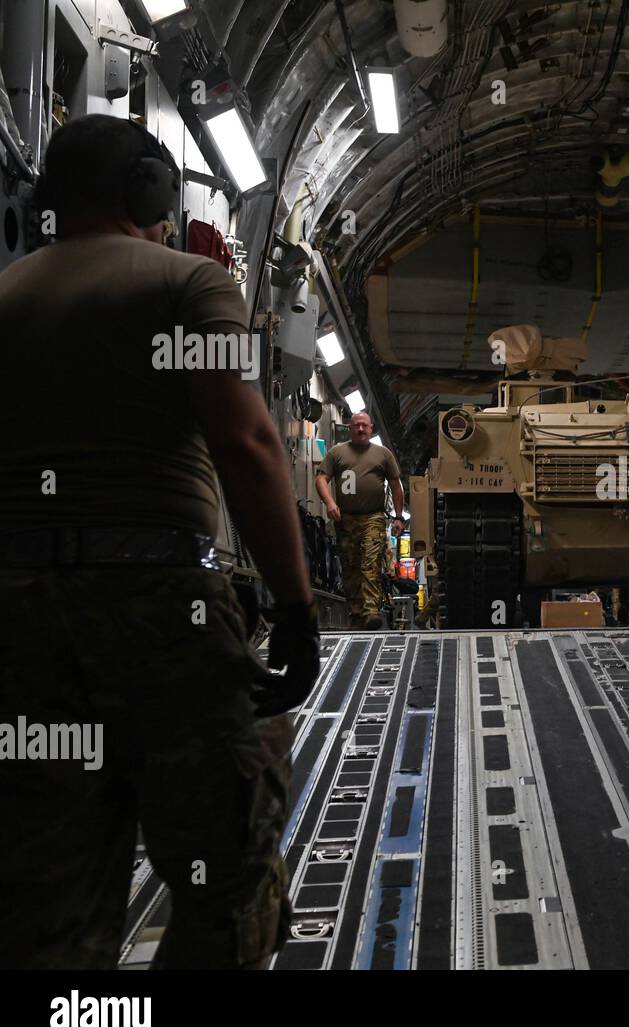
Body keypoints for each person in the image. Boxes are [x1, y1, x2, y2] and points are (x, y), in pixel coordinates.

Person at [0, 115, 319, 969]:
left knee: (48, 893)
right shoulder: (188, 284)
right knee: (227, 877)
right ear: (151, 191)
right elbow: (247, 445)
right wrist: (294, 603)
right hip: (159, 610)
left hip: (20, 619)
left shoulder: (7, 296)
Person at [315, 412, 404, 629]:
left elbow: (395, 485)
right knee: (350, 564)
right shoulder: (337, 453)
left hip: (373, 516)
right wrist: (330, 503)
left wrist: (399, 516)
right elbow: (321, 479)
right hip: (345, 518)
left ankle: (371, 611)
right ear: (350, 428)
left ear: (371, 428)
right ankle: (356, 613)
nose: (361, 430)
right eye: (357, 426)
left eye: (365, 426)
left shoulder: (383, 454)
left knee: (370, 562)